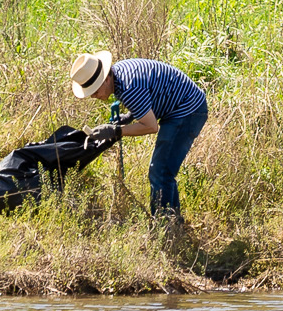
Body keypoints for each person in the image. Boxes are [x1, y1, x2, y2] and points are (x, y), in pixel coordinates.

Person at [68, 50, 208, 219]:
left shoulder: (128, 89)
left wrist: (116, 131)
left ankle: (164, 225)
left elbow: (150, 127)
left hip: (188, 111)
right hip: (180, 105)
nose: (94, 97)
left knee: (160, 171)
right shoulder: (119, 75)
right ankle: (173, 219)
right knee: (164, 170)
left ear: (105, 79)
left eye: (95, 91)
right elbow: (148, 93)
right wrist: (129, 117)